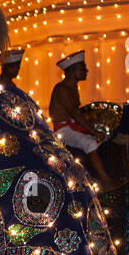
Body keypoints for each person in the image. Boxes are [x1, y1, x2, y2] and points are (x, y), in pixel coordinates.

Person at [49, 50, 112, 186]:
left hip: (71, 126)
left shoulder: (72, 87)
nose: (87, 71)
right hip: (63, 131)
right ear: (72, 71)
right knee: (90, 143)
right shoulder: (63, 89)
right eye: (82, 68)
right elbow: (75, 114)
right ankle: (105, 180)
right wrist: (94, 132)